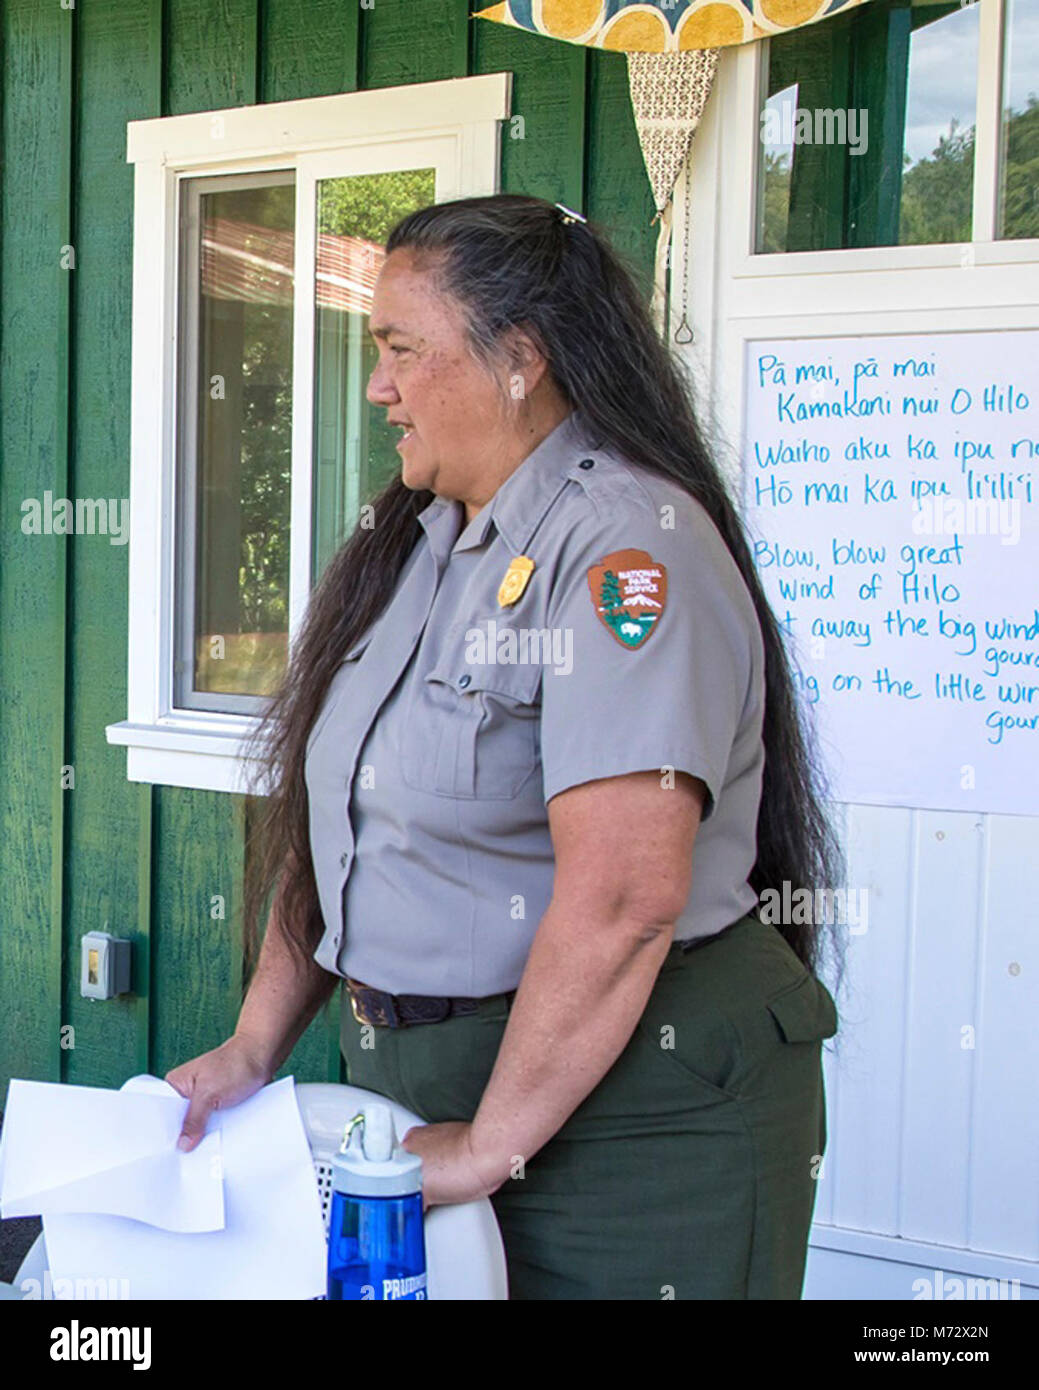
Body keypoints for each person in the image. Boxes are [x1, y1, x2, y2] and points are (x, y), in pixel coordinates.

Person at [166, 193, 842, 1300]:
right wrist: (254, 1043)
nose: (377, 384)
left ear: (520, 359)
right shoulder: (421, 542)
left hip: (633, 1124)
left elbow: (625, 895)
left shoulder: (626, 548)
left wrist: (491, 1142)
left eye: (399, 349)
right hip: (420, 1108)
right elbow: (338, 826)